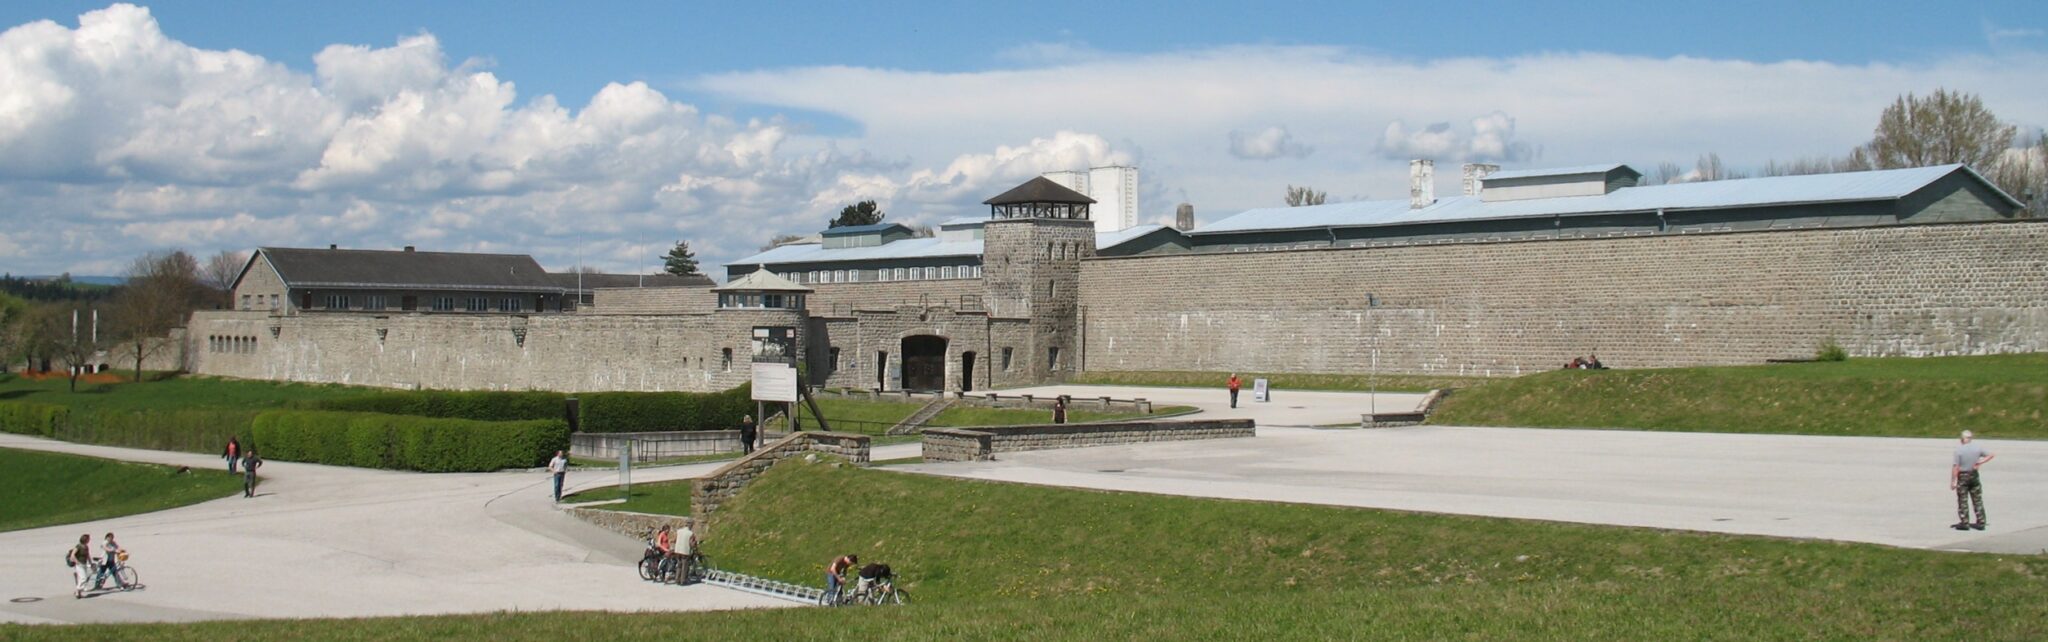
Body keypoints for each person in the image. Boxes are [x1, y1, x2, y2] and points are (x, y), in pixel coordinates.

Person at [1951, 430, 1996, 531]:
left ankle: (1965, 522)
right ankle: (1981, 521)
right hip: (1974, 474)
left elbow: (1956, 467)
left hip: (1963, 475)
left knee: (1963, 500)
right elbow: (1991, 455)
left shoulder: (1959, 450)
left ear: (1962, 439)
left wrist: (1953, 481)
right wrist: (1979, 462)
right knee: (1977, 499)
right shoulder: (1977, 448)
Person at [66, 534, 92, 599]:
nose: (89, 540)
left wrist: (90, 562)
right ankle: (77, 590)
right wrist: (77, 561)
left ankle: (79, 593)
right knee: (84, 578)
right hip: (79, 565)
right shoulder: (78, 546)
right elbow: (72, 555)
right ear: (85, 539)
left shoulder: (86, 547)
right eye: (88, 539)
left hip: (84, 564)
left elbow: (88, 555)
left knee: (81, 579)